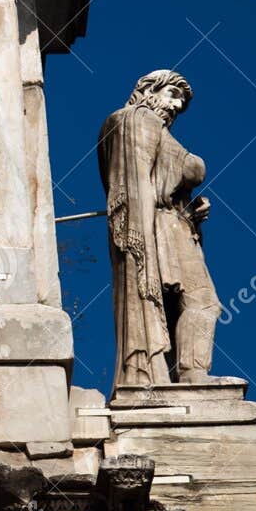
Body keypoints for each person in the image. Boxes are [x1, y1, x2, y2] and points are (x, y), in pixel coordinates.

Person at [98, 70, 222, 388]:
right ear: (148, 89)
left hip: (175, 225)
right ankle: (190, 375)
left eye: (181, 101)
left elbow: (159, 187)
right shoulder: (137, 120)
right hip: (155, 228)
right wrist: (140, 244)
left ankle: (190, 374)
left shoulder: (154, 128)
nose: (177, 106)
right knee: (202, 300)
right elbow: (134, 185)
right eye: (172, 94)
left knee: (199, 302)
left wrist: (189, 211)